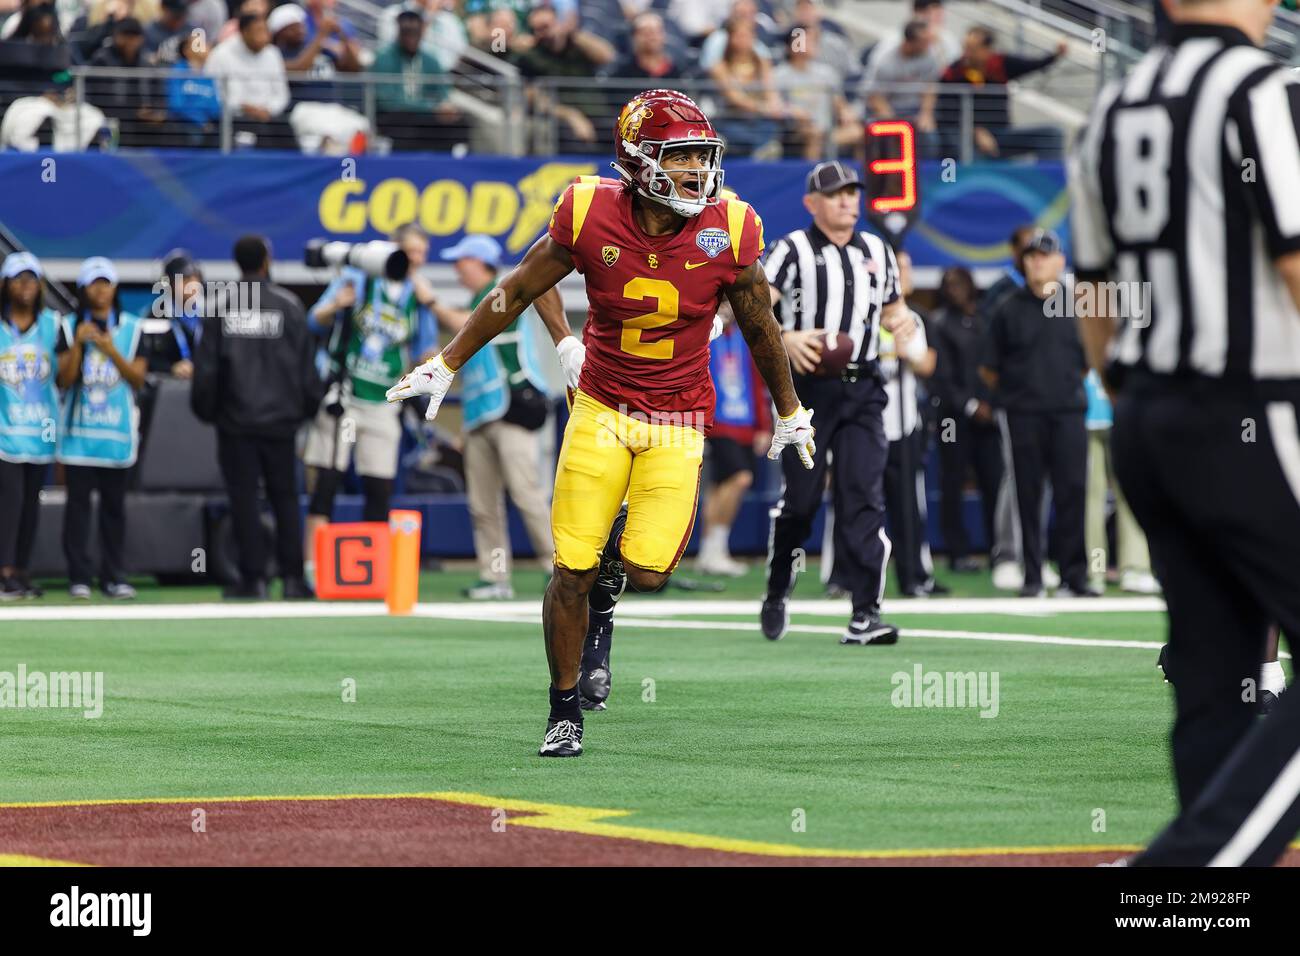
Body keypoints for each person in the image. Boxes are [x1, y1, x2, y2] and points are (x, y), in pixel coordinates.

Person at [387, 90, 816, 757]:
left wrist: (788, 409)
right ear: (639, 162)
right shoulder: (588, 211)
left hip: (678, 416)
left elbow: (759, 322)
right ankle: (563, 710)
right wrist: (448, 362)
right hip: (604, 409)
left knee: (648, 570)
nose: (697, 172)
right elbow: (521, 286)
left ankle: (608, 596)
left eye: (703, 156)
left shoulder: (729, 227)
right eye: (680, 158)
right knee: (570, 568)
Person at [1071, 0, 1300, 867]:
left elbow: (1094, 293)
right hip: (1252, 409)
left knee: (1216, 684)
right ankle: (1184, 875)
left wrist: (1133, 401)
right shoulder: (1257, 89)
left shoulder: (1114, 106)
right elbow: (1295, 255)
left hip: (1150, 415)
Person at [760, 160, 920, 645]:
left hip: (865, 389)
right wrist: (784, 337)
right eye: (835, 194)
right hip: (806, 395)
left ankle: (865, 612)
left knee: (863, 497)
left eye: (852, 192)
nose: (848, 201)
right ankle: (777, 587)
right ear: (812, 203)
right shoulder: (790, 251)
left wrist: (903, 321)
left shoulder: (878, 249)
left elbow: (892, 307)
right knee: (803, 503)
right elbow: (751, 307)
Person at [301, 224, 440, 575]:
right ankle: (312, 567)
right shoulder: (360, 277)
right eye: (410, 252)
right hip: (344, 393)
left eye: (422, 254)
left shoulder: (418, 295)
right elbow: (313, 321)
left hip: (384, 401)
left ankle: (370, 571)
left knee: (379, 488)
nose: (416, 260)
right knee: (326, 483)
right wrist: (336, 304)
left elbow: (427, 349)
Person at [191, 235, 322, 600]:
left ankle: (253, 580)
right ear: (266, 260)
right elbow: (307, 371)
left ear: (238, 263)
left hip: (236, 423)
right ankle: (294, 579)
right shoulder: (291, 306)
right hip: (282, 423)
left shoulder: (219, 307)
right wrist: (304, 410)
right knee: (285, 499)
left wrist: (210, 412)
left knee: (244, 499)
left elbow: (207, 372)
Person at [435, 234, 561, 600]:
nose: (457, 269)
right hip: (479, 417)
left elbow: (464, 323)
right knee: (483, 505)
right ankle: (495, 577)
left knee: (527, 495)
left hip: (512, 412)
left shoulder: (504, 292)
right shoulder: (478, 297)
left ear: (479, 261)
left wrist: (427, 298)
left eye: (462, 261)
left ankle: (558, 569)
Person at [978, 229, 1091, 598]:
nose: (1037, 261)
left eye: (1044, 255)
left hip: (1069, 411)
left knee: (1073, 492)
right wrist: (1019, 392)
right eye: (1031, 256)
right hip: (1023, 413)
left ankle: (1076, 576)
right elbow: (988, 368)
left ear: (1060, 261)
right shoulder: (1008, 308)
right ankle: (1033, 575)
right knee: (1027, 494)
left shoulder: (1078, 306)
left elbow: (1089, 360)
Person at [55, 257, 147, 601]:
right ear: (83, 290)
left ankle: (113, 576)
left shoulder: (133, 329)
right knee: (77, 510)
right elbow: (63, 380)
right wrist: (79, 344)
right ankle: (78, 576)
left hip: (117, 436)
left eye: (106, 283)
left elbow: (138, 379)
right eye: (94, 284)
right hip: (79, 437)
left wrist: (110, 350)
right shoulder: (66, 328)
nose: (101, 290)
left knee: (114, 510)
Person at [928, 265, 1001, 574]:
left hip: (990, 417)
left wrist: (992, 403)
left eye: (958, 284)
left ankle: (1001, 550)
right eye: (947, 284)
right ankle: (957, 552)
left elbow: (996, 365)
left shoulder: (987, 320)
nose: (953, 289)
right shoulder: (940, 323)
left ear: (972, 286)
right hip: (952, 419)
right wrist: (970, 405)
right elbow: (940, 377)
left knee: (995, 483)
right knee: (953, 481)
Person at [877, 250, 940, 597]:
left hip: (904, 423)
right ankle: (846, 577)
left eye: (907, 267)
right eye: (898, 267)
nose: (904, 274)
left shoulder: (914, 318)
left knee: (908, 504)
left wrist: (909, 354)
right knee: (858, 503)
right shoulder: (864, 313)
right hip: (870, 423)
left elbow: (927, 365)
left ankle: (914, 575)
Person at [0, 252, 60, 601]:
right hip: (5, 431)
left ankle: (21, 570)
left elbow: (66, 377)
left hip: (39, 432)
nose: (26, 286)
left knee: (30, 504)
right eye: (18, 279)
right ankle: (4, 571)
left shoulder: (53, 325)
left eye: (32, 279)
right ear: (6, 284)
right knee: (10, 501)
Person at [698, 305, 770, 577]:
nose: (728, 312)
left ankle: (710, 552)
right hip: (717, 422)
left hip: (745, 422)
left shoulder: (745, 337)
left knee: (719, 487)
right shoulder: (705, 334)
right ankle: (716, 548)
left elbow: (757, 382)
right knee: (740, 479)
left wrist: (764, 426)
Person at [936, 26, 1067, 160]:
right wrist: (976, 131)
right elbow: (946, 112)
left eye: (972, 50)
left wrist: (1056, 54)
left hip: (1002, 134)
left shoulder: (1001, 64)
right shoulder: (953, 73)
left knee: (1052, 133)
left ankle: (1045, 180)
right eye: (965, 48)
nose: (967, 54)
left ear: (987, 50)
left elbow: (1033, 64)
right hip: (967, 137)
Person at [1083, 368, 1157, 594]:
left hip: (1118, 412)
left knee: (1125, 494)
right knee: (1094, 497)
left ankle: (1127, 568)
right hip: (1096, 412)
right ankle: (1101, 568)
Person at [270, 2, 369, 155]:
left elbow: (352, 69)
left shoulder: (320, 48)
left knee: (362, 126)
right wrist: (321, 35)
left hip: (333, 108)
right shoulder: (275, 54)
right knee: (329, 133)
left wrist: (343, 36)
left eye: (301, 25)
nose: (300, 30)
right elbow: (300, 69)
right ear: (279, 32)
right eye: (293, 27)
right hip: (302, 109)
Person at [372, 9, 468, 152]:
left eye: (415, 33)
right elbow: (387, 101)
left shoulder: (431, 60)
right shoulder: (384, 58)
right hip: (395, 116)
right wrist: (429, 107)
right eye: (406, 33)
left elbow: (442, 93)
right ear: (399, 32)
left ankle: (450, 167)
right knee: (406, 126)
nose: (411, 38)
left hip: (425, 116)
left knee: (461, 123)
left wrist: (445, 106)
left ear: (422, 31)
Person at [203, 12, 294, 149]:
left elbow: (281, 94)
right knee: (262, 134)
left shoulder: (273, 53)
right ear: (244, 32)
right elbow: (212, 91)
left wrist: (268, 110)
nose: (265, 37)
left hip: (267, 114)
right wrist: (243, 107)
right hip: (234, 116)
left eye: (265, 31)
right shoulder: (221, 54)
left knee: (286, 131)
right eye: (258, 31)